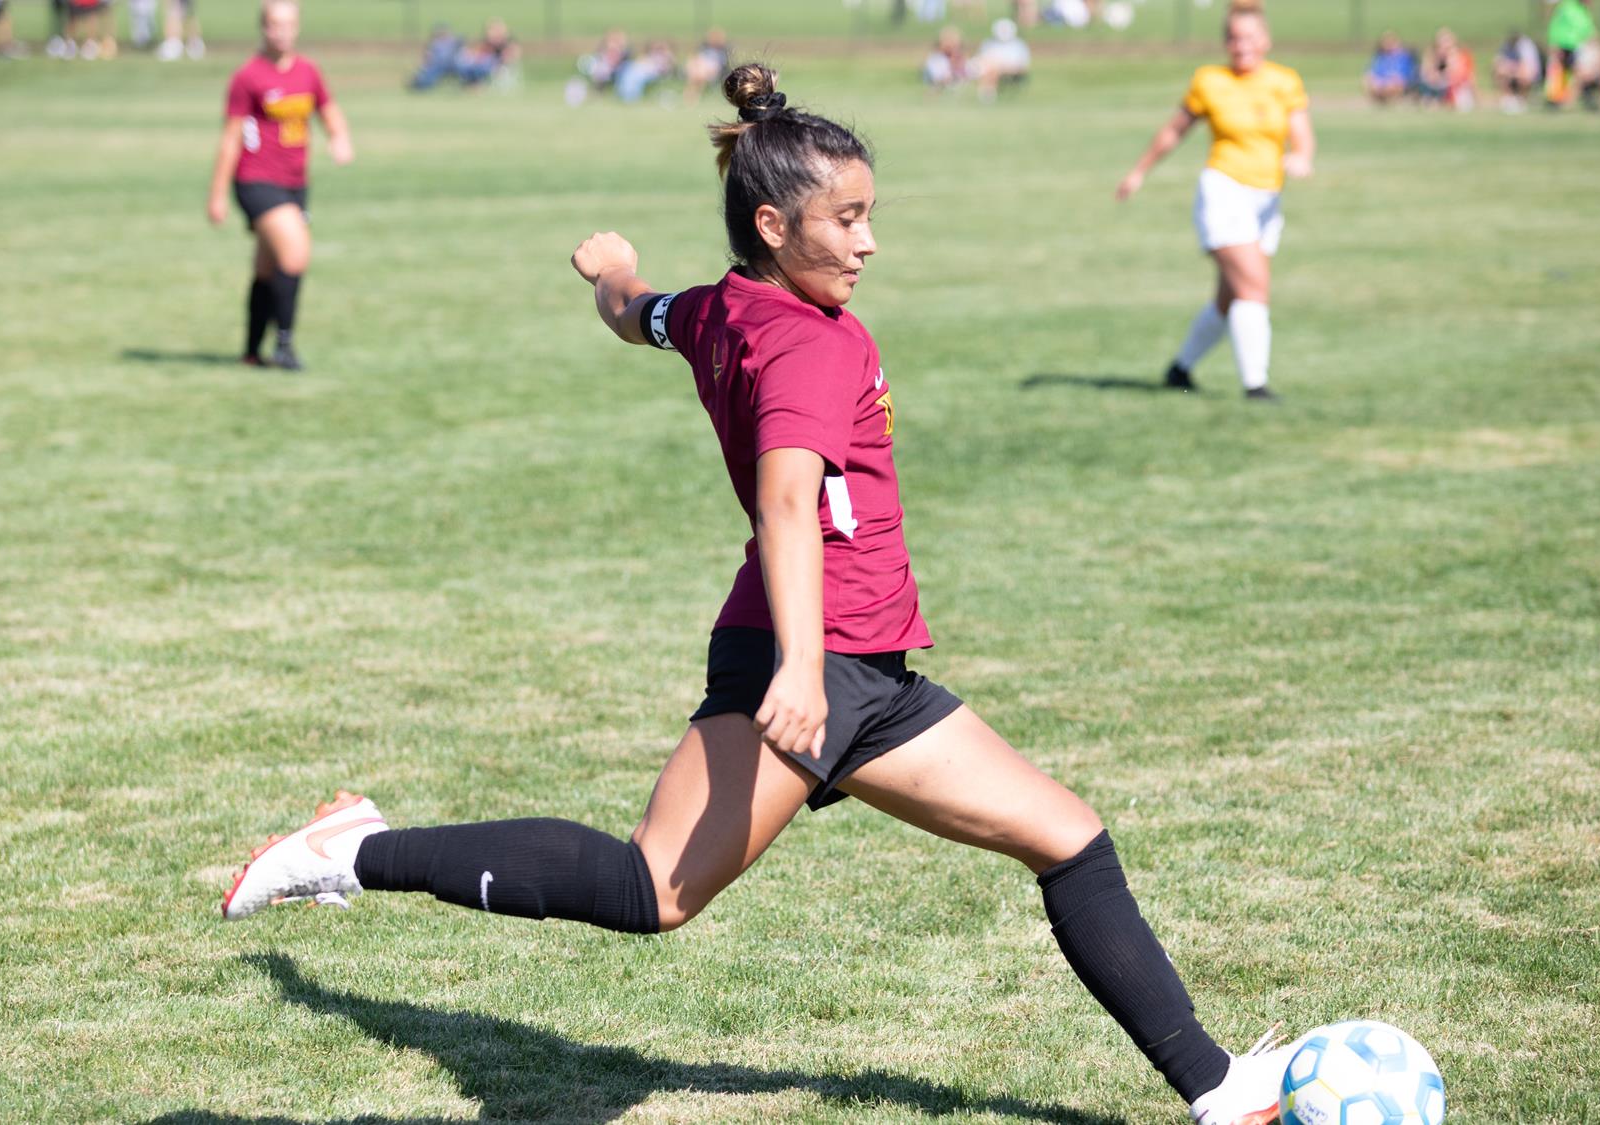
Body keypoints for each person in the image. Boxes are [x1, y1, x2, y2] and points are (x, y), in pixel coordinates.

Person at [218, 58, 1302, 1125]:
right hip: (808, 658)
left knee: (1067, 838)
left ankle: (1215, 1090)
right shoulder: (806, 349)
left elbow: (632, 311)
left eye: (871, 214)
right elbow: (787, 505)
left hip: (865, 669)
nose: (869, 242)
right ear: (776, 225)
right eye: (846, 221)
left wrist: (611, 266)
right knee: (652, 891)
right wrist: (797, 669)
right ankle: (346, 852)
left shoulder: (717, 309)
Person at [1116, 2, 1312, 401]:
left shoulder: (1284, 81)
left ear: (1266, 40)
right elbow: (1175, 131)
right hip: (1224, 192)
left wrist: (1302, 157)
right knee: (1254, 286)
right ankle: (1255, 385)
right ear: (1225, 42)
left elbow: (1301, 134)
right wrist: (1139, 171)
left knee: (1229, 298)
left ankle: (1180, 369)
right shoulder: (1210, 81)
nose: (1242, 46)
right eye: (1234, 38)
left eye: (1250, 38)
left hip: (1267, 200)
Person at [206, 0, 352, 371]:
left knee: (267, 268)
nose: (281, 31)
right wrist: (217, 194)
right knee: (296, 254)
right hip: (255, 180)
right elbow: (230, 138)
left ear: (298, 27)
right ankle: (284, 345)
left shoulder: (308, 72)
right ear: (263, 28)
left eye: (288, 24)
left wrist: (339, 136)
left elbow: (328, 109)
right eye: (274, 24)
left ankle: (252, 351)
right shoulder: (248, 77)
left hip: (295, 183)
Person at [1545, 0, 1596, 108]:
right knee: (1559, 72)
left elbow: (1588, 29)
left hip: (1577, 45)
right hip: (1564, 44)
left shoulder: (1584, 10)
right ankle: (1554, 100)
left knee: (1580, 72)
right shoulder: (1566, 6)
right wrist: (1554, 43)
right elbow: (1556, 25)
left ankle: (1587, 96)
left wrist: (1592, 39)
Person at [972, 17, 1031, 103]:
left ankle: (987, 94)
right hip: (989, 67)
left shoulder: (1018, 44)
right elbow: (981, 57)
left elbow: (1022, 65)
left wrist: (1001, 66)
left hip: (1011, 69)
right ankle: (986, 93)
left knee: (993, 68)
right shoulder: (989, 42)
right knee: (988, 67)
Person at [1417, 28, 1476, 111]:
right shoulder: (1432, 55)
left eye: (1446, 42)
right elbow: (1424, 72)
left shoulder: (1458, 55)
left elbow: (1459, 75)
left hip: (1454, 88)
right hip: (1435, 86)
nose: (1444, 46)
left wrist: (1449, 59)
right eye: (1441, 43)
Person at [1362, 31, 1416, 105]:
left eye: (1390, 42)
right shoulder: (1381, 57)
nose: (1387, 44)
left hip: (1397, 83)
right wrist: (1375, 80)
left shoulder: (1404, 56)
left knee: (1394, 83)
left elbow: (1403, 75)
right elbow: (1373, 71)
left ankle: (1390, 99)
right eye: (1385, 42)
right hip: (1382, 83)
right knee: (1369, 80)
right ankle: (1382, 98)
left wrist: (1389, 82)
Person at [1495, 29, 1543, 113]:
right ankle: (1508, 99)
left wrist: (1513, 69)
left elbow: (1527, 66)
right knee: (1502, 73)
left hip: (1530, 73)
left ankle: (1521, 101)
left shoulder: (1525, 46)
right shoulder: (1508, 45)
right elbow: (1499, 61)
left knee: (1523, 77)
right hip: (1515, 72)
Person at [682, 27, 730, 104]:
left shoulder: (722, 51)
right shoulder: (704, 48)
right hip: (701, 69)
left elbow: (721, 65)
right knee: (696, 63)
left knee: (701, 71)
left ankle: (691, 94)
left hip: (713, 71)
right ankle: (692, 93)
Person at [922, 25, 970, 91]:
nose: (950, 45)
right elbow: (938, 77)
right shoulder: (936, 59)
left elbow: (968, 73)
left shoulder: (961, 57)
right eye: (947, 41)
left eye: (953, 42)